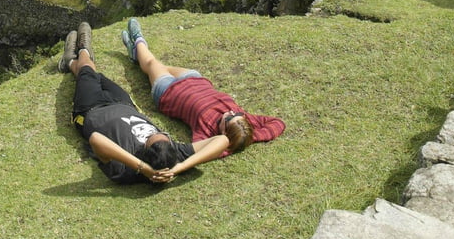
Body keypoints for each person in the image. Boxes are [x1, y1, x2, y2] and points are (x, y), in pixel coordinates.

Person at [58, 22, 228, 184]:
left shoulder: (124, 169)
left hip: (90, 110)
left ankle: (83, 50)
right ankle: (71, 61)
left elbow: (95, 139)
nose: (162, 134)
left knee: (87, 71)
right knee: (94, 76)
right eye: (166, 136)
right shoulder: (173, 155)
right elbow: (222, 141)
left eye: (150, 138)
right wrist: (180, 167)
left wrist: (141, 167)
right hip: (123, 103)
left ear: (145, 149)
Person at [121, 17, 285, 176]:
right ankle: (135, 53)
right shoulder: (245, 124)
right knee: (157, 64)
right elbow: (278, 123)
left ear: (222, 133)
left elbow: (201, 151)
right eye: (238, 114)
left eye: (229, 119)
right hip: (194, 78)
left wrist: (229, 145)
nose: (231, 112)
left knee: (151, 63)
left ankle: (138, 40)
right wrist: (248, 137)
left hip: (167, 92)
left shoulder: (206, 132)